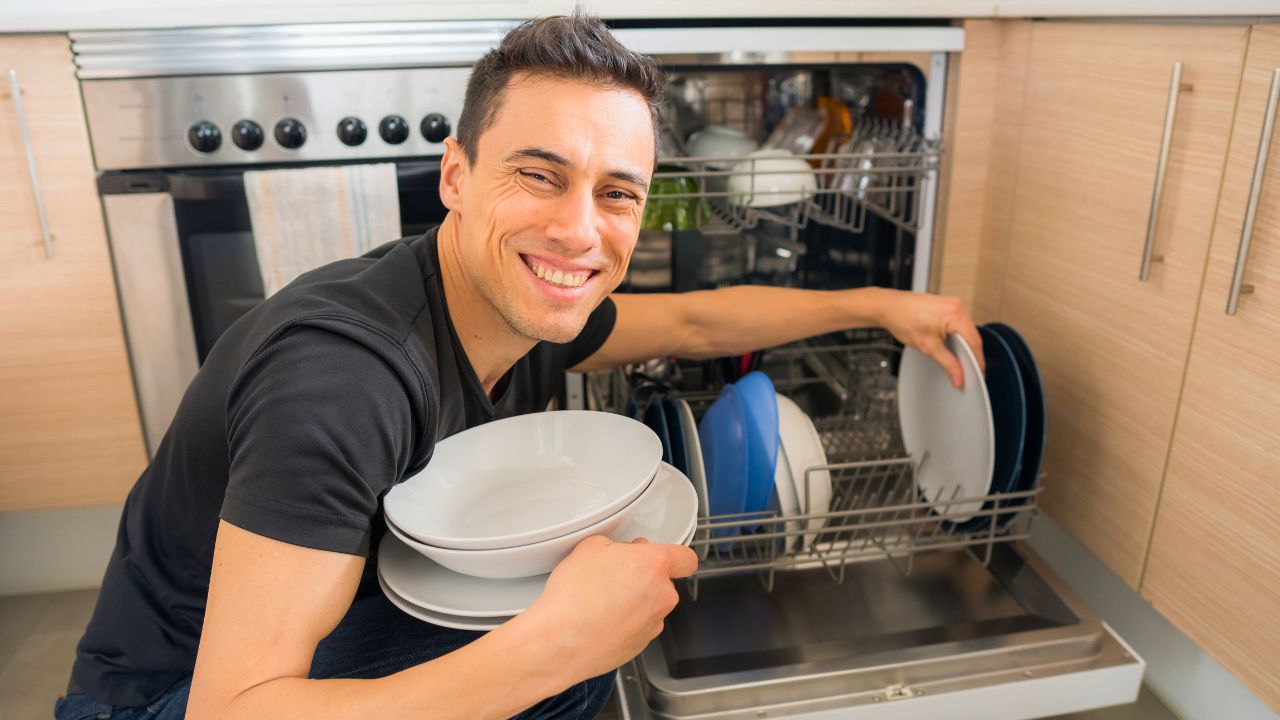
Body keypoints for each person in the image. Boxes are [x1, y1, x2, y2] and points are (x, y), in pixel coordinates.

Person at [56, 13, 983, 720]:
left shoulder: (524, 305)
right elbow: (235, 711)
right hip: (163, 700)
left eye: (616, 193)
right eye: (540, 175)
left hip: (321, 641)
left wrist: (878, 305)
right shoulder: (343, 382)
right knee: (553, 668)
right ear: (455, 176)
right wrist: (551, 649)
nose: (580, 230)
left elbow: (699, 317)